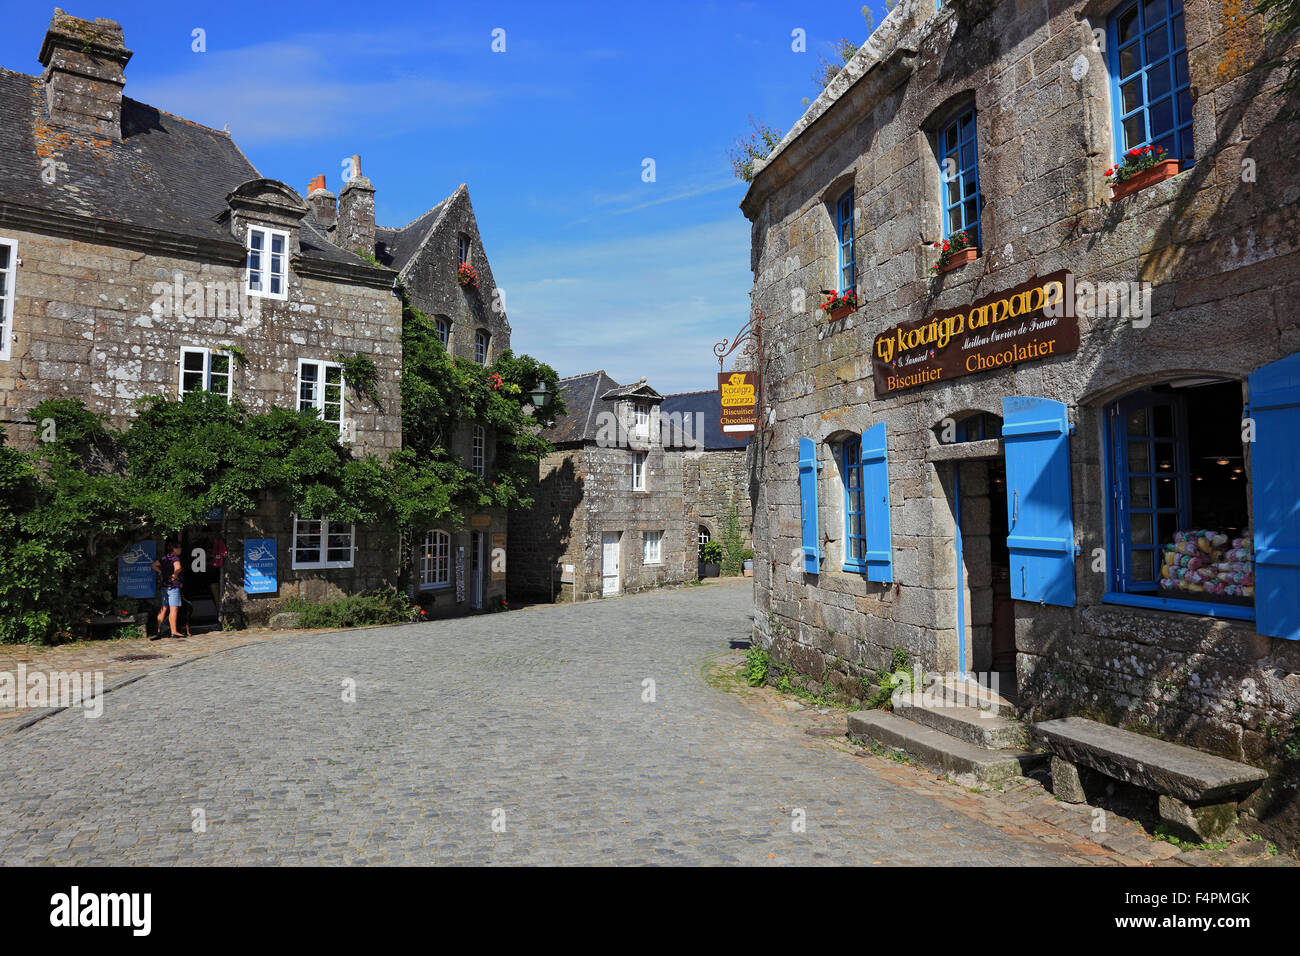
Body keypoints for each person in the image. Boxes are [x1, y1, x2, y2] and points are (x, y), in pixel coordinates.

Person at [151, 541, 184, 640]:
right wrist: (175, 575)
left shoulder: (164, 558)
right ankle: (174, 632)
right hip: (173, 586)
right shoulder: (175, 558)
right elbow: (178, 567)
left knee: (164, 608)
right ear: (174, 549)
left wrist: (161, 572)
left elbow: (153, 565)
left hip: (164, 586)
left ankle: (158, 631)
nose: (180, 550)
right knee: (174, 609)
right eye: (179, 548)